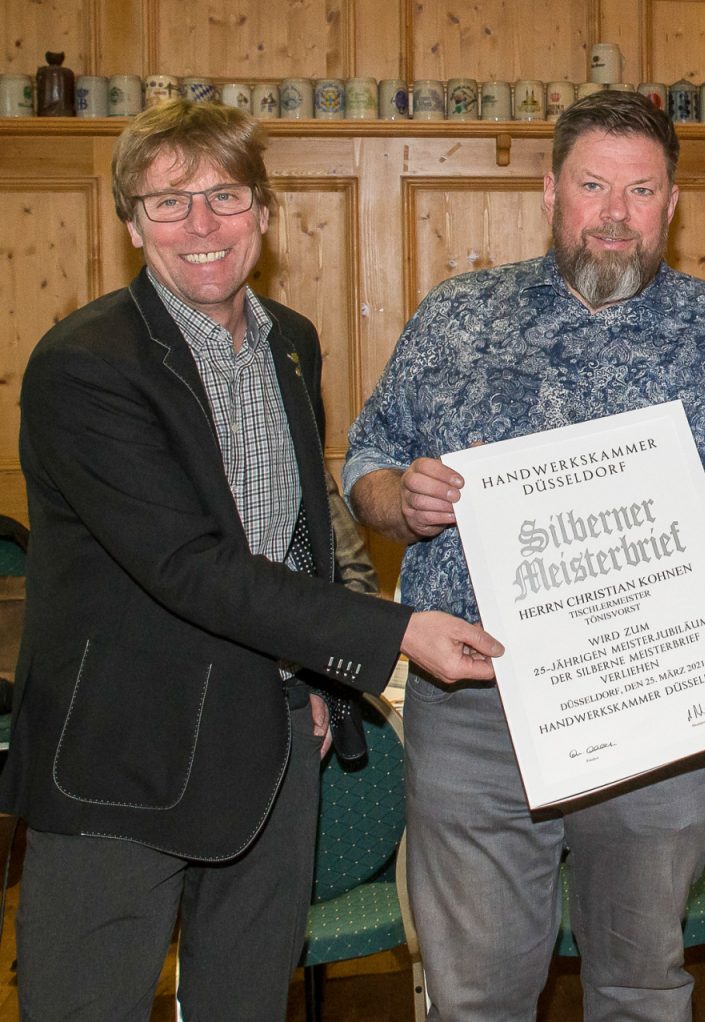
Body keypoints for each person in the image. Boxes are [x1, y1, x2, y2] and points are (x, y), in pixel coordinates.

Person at [0, 100, 503, 1020]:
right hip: (123, 759)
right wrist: (396, 633)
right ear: (129, 225)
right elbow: (188, 566)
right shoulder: (85, 366)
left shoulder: (292, 344)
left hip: (273, 741)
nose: (201, 226)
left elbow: (297, 536)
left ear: (265, 213)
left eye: (224, 196)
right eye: (168, 203)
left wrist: (312, 680)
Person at [344, 91, 705, 1020]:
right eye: (593, 185)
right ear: (549, 191)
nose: (615, 212)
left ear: (672, 203)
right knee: (476, 995)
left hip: (658, 710)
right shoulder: (458, 319)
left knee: (641, 983)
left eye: (640, 189)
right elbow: (368, 457)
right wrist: (399, 501)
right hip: (477, 709)